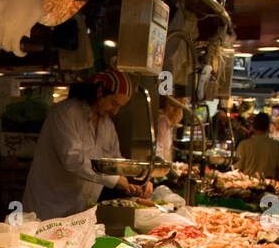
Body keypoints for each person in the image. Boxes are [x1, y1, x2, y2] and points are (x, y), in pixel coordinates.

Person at [22, 70, 150, 220]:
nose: (115, 111)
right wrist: (115, 180)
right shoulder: (65, 113)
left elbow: (116, 161)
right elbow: (73, 160)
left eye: (120, 106)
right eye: (114, 103)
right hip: (48, 209)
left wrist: (139, 178)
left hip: (81, 211)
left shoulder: (107, 125)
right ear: (100, 92)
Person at [234, 112, 279, 180]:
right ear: (268, 126)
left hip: (248, 184)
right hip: (268, 185)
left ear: (253, 126)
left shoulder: (244, 145)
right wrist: (274, 177)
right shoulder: (276, 145)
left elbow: (237, 168)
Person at [154, 95, 183, 164]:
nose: (176, 110)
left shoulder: (169, 123)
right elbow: (158, 150)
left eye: (178, 106)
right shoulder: (163, 120)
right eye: (172, 105)